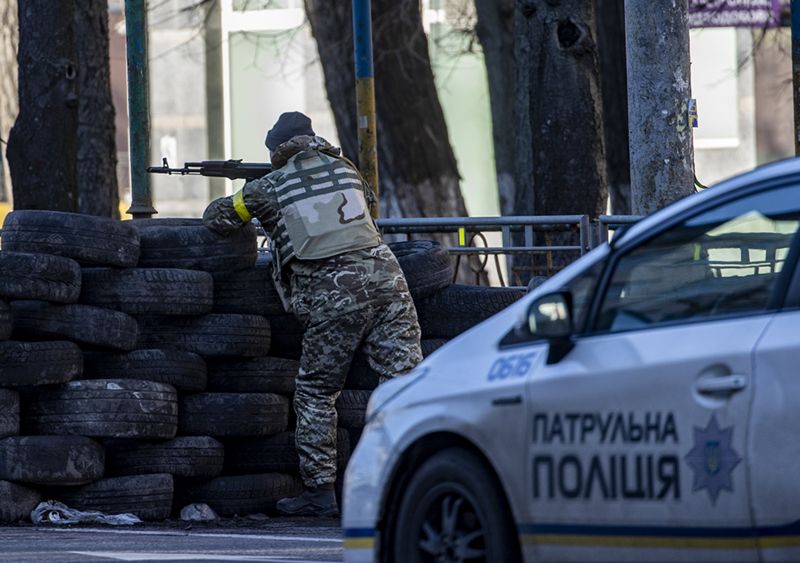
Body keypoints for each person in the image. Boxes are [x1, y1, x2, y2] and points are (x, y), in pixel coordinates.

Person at [203, 111, 423, 517]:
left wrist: (250, 191)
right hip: (391, 284)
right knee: (407, 385)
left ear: (277, 150)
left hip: (335, 297)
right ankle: (418, 477)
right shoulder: (347, 169)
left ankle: (320, 493)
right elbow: (368, 209)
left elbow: (218, 218)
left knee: (318, 393)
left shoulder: (269, 186)